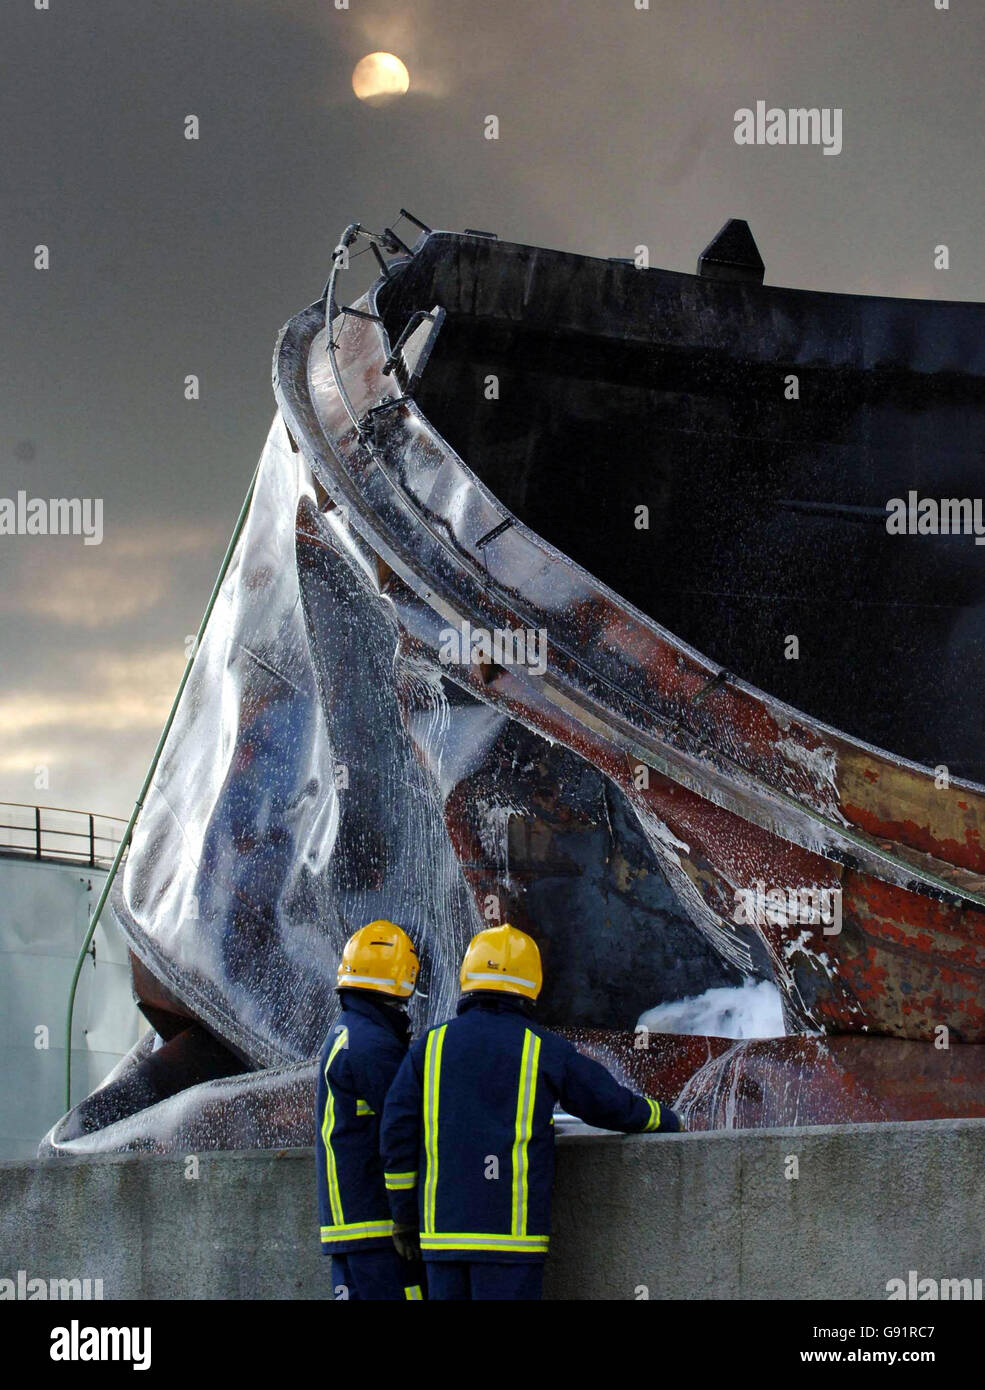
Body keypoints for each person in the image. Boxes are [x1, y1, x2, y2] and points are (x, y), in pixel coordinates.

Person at [380, 922, 681, 1301]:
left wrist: (405, 1217)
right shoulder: (543, 1049)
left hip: (442, 1239)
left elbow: (396, 1133)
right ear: (530, 986)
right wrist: (665, 1117)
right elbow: (608, 1104)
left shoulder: (429, 1047)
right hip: (511, 1239)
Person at [315, 920, 425, 1300]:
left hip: (351, 1225)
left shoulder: (347, 1030)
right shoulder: (374, 1046)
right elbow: (406, 1127)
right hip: (376, 1228)